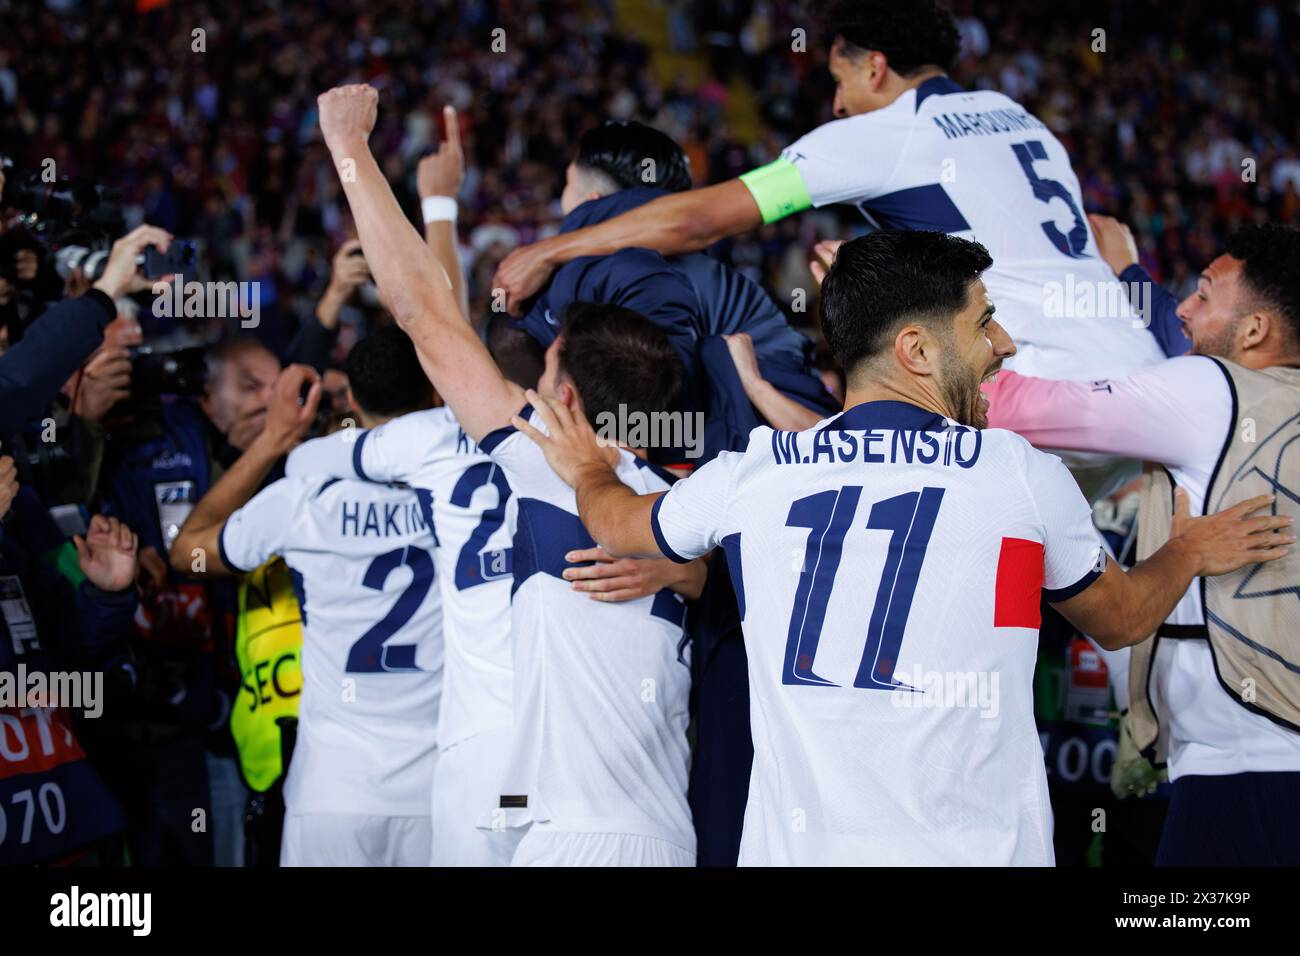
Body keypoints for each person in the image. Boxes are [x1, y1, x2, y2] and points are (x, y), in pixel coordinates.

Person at [510, 229, 1291, 865]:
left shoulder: (756, 473)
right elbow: (1120, 621)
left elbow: (617, 523)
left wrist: (586, 468)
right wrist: (1187, 551)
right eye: (983, 321)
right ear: (916, 350)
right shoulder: (1019, 475)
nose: (1007, 345)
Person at [318, 83, 705, 866]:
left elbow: (427, 317)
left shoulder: (543, 465)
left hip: (559, 835)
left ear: (560, 397)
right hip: (668, 836)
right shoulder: (694, 506)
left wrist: (352, 153)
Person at [493, 0, 1164, 423]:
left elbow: (700, 218)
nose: (836, 106)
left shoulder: (884, 134)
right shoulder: (1019, 116)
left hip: (1031, 384)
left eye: (839, 82)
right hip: (1136, 368)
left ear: (874, 68)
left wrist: (552, 250)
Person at [983, 223, 1300, 865]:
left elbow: (1009, 406)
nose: (1184, 306)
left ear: (1256, 331)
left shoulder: (1212, 392)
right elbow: (1158, 375)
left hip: (1246, 765)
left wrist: (913, 327)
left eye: (1205, 295)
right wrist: (1129, 276)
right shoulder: (1258, 400)